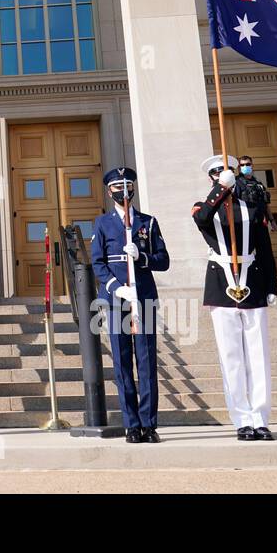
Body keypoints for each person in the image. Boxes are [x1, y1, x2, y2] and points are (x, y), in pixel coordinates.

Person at [193, 157, 277, 441]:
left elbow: (264, 250)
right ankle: (241, 419)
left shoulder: (253, 209)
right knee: (231, 356)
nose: (220, 176)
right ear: (211, 179)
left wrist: (272, 285)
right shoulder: (203, 207)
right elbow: (203, 218)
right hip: (221, 284)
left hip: (251, 281)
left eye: (224, 172)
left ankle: (260, 418)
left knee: (258, 355)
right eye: (215, 173)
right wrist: (220, 191)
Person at [90, 167, 169, 443]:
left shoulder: (147, 222)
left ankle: (149, 424)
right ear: (109, 191)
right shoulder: (103, 223)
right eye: (117, 187)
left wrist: (143, 256)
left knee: (146, 361)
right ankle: (131, 424)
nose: (123, 191)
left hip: (143, 297)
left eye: (127, 185)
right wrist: (115, 287)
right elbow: (97, 263)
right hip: (117, 300)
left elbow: (164, 260)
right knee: (123, 362)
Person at [236, 155, 271, 223]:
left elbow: (266, 203)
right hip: (247, 223)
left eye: (248, 164)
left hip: (262, 222)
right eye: (242, 165)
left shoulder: (258, 183)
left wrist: (272, 220)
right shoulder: (237, 183)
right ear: (239, 167)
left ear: (252, 165)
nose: (245, 166)